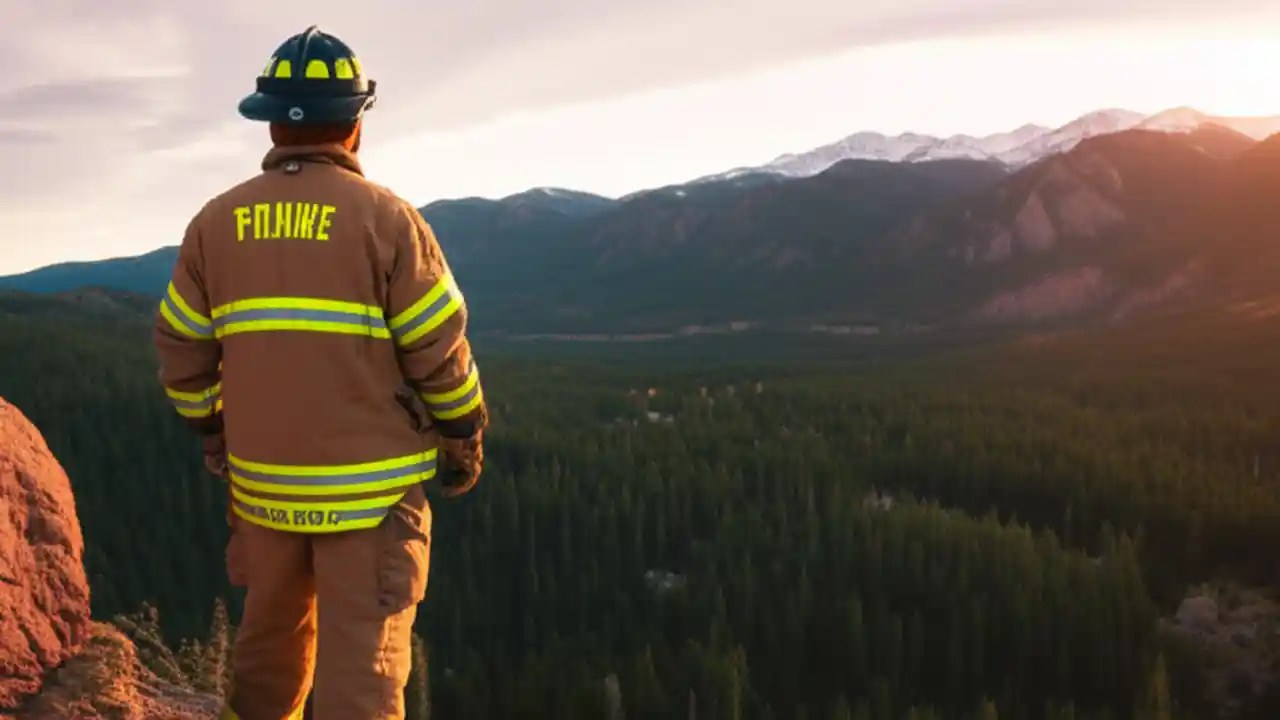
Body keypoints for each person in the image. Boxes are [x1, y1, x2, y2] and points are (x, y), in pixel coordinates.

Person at [153, 26, 488, 720]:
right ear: (355, 124)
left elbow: (181, 349)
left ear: (271, 121)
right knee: (360, 681)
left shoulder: (215, 223)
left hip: (265, 495)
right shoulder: (389, 221)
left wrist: (213, 427)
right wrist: (464, 433)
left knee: (268, 653)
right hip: (370, 504)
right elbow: (440, 350)